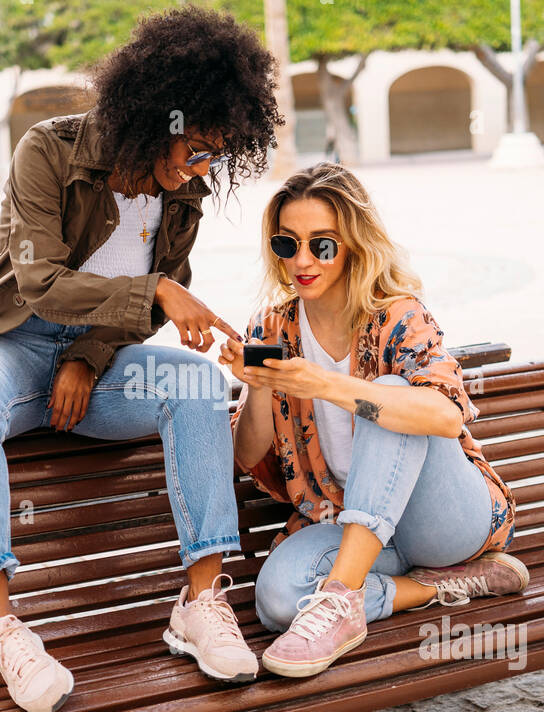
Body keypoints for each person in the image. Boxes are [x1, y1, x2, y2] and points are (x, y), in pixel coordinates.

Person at [0, 5, 284, 712]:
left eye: (216, 155)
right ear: (158, 118)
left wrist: (92, 359)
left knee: (193, 380)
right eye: (196, 149)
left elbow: (148, 308)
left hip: (94, 365)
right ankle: (3, 630)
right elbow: (41, 281)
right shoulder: (49, 151)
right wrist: (153, 288)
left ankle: (199, 605)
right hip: (9, 345)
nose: (201, 169)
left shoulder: (182, 194)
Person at [218, 162, 527, 679]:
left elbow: (446, 416)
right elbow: (248, 455)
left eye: (321, 244)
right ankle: (441, 586)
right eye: (286, 244)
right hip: (349, 522)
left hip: (442, 522)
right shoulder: (272, 326)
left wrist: (323, 384)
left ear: (355, 244)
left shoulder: (398, 315)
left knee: (387, 395)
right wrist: (259, 384)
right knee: (276, 600)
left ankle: (341, 601)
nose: (302, 260)